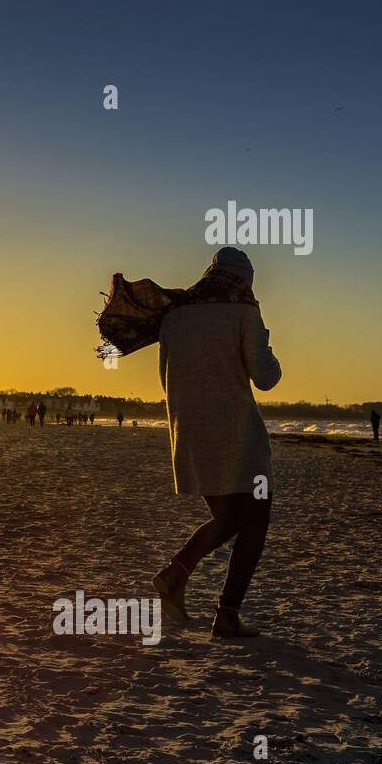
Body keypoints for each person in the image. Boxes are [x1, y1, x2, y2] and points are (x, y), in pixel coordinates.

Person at [149, 247, 281, 639]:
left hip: (191, 433)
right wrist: (263, 334)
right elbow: (266, 377)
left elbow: (165, 377)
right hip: (239, 436)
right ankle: (226, 614)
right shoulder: (244, 311)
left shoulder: (175, 315)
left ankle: (175, 575)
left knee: (229, 519)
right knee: (254, 520)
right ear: (246, 280)